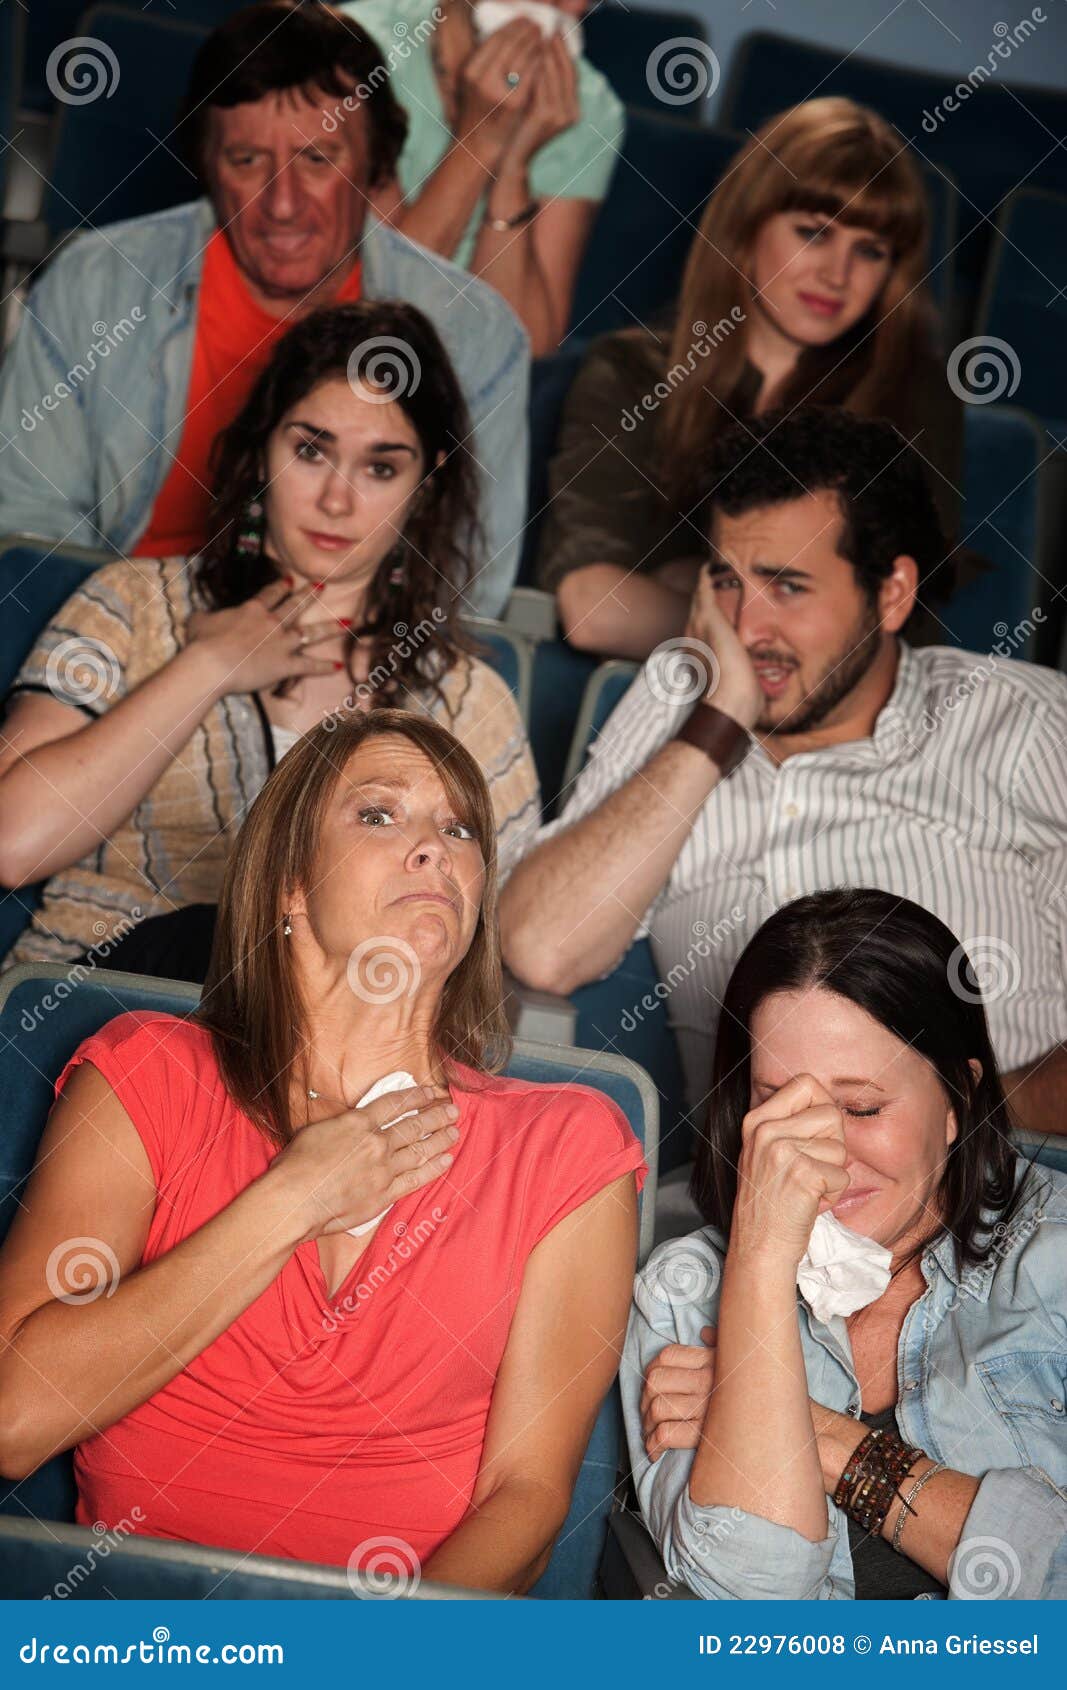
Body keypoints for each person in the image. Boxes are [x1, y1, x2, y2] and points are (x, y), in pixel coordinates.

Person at [0, 710, 645, 1590]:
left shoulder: (565, 1143)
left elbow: (524, 1501)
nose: (434, 851)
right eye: (379, 815)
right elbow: (16, 1420)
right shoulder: (145, 1072)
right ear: (288, 889)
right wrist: (292, 1200)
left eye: (458, 829)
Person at [501, 408, 1067, 1143]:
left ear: (891, 593)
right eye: (726, 582)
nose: (745, 629)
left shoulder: (1021, 723)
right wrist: (716, 725)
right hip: (752, 1208)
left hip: (1005, 1195)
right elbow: (541, 947)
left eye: (787, 587)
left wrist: (967, 1118)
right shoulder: (686, 694)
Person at [0, 299, 540, 979]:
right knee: (224, 938)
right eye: (311, 451)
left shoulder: (467, 699)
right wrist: (208, 665)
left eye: (380, 468)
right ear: (261, 453)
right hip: (107, 998)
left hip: (352, 1039)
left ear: (425, 485)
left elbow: (500, 952)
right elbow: (13, 841)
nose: (336, 500)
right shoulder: (134, 605)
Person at [0, 0, 528, 619]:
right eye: (247, 161)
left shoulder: (475, 334)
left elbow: (466, 586)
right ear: (206, 163)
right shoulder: (96, 284)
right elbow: (31, 533)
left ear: (376, 164)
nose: (283, 204)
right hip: (126, 634)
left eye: (317, 159)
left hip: (352, 672)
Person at [622, 889, 1067, 1601]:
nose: (817, 1153)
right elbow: (744, 1609)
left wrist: (824, 1439)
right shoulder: (685, 1288)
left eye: (861, 1108)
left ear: (957, 1097)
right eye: (779, 1106)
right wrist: (761, 1261)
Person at [537, 97, 963, 658]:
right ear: (745, 228)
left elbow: (895, 628)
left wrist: (694, 588)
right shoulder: (632, 372)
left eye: (870, 250)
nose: (837, 274)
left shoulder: (917, 397)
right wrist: (791, 618)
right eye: (813, 233)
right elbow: (593, 611)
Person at [339, 0, 622, 355]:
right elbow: (378, 304)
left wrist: (513, 166)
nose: (573, 7)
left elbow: (527, 346)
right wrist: (479, 141)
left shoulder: (586, 108)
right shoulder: (354, 52)